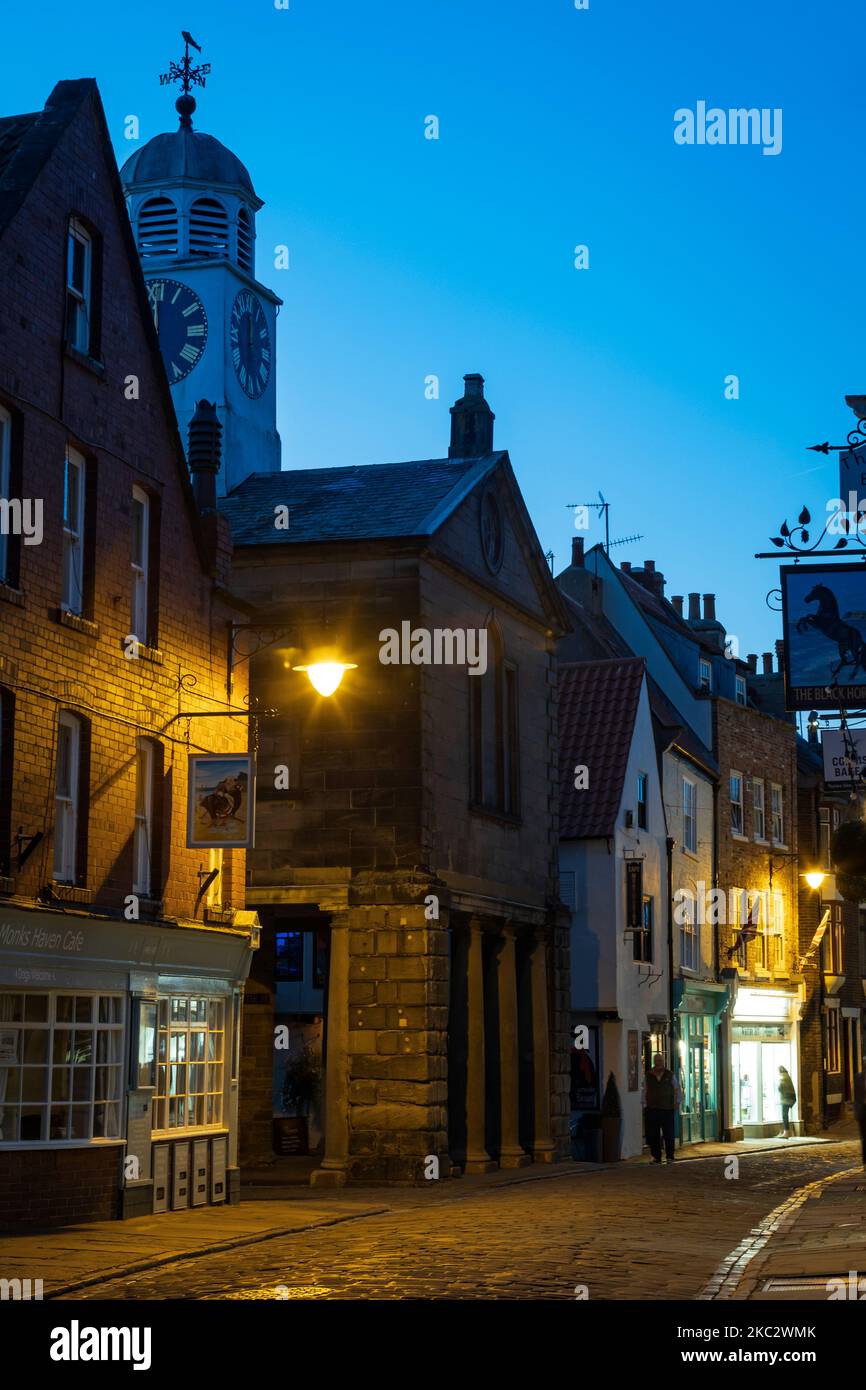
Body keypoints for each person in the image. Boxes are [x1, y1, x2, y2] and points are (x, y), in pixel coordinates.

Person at [643, 1052, 681, 1164]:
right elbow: (644, 1090)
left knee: (668, 1133)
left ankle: (670, 1156)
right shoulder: (648, 1075)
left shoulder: (670, 1075)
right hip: (652, 1108)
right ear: (654, 1062)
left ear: (663, 1062)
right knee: (653, 1134)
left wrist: (677, 1102)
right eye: (657, 1061)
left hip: (667, 1108)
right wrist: (644, 1105)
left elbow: (677, 1089)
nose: (659, 1063)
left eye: (660, 1061)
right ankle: (656, 1157)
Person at [778, 1065, 796, 1138]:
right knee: (785, 1115)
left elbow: (780, 1087)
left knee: (784, 1115)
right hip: (789, 1098)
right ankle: (785, 1131)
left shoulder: (783, 1077)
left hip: (786, 1099)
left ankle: (786, 1132)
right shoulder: (787, 1076)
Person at [854, 1064, 866, 1169]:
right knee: (864, 1138)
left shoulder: (859, 1077)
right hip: (862, 1113)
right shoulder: (858, 1077)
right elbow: (857, 1097)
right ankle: (865, 1161)